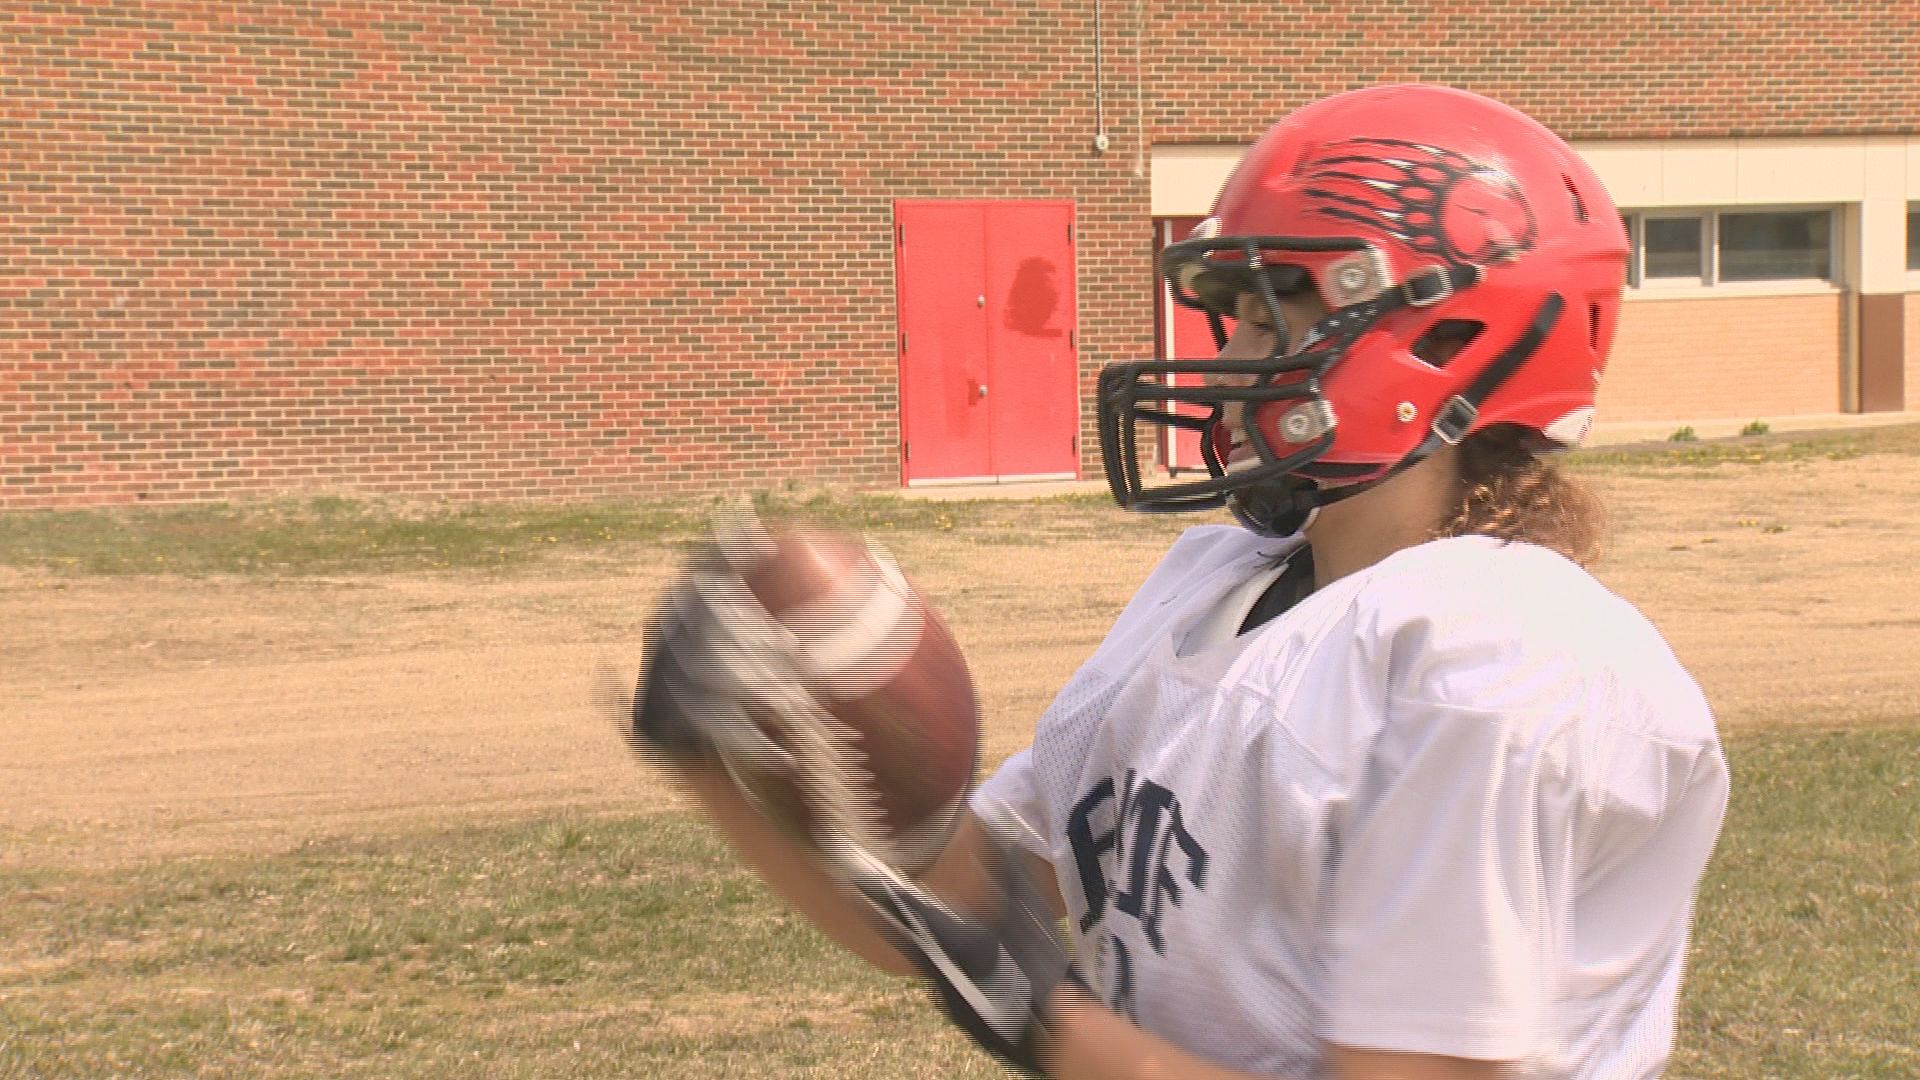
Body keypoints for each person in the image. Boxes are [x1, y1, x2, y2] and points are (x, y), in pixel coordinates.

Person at [632, 84, 1729, 1080]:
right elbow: (957, 901)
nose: (1231, 361)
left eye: (1272, 315)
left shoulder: (1499, 668)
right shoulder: (1220, 584)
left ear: (1442, 334)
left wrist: (1044, 1020)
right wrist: (724, 759)